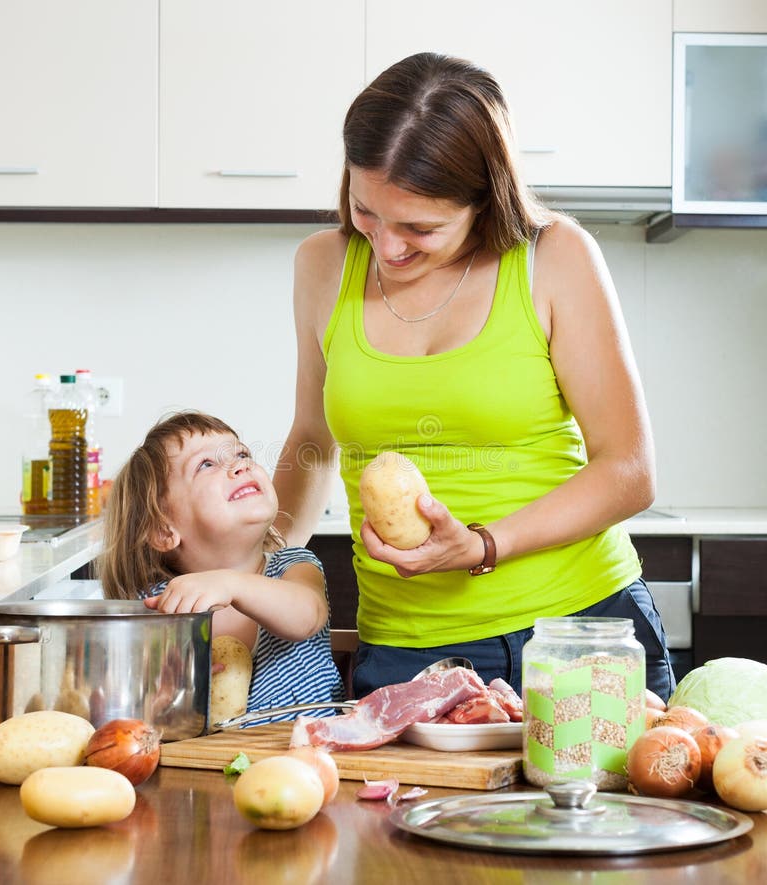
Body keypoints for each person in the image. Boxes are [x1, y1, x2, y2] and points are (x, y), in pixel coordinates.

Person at [273, 51, 675, 701]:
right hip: (407, 650)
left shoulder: (555, 257)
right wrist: (264, 564)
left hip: (574, 629)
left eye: (420, 227)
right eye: (367, 210)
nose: (387, 246)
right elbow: (311, 438)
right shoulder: (322, 266)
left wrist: (485, 544)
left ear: (486, 198)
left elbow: (629, 468)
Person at [101, 411, 345, 719]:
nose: (241, 464)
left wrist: (231, 584)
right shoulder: (160, 607)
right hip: (203, 763)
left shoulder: (292, 565)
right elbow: (123, 708)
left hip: (305, 760)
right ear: (164, 530)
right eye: (207, 464)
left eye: (242, 453)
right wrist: (158, 697)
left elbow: (308, 616)